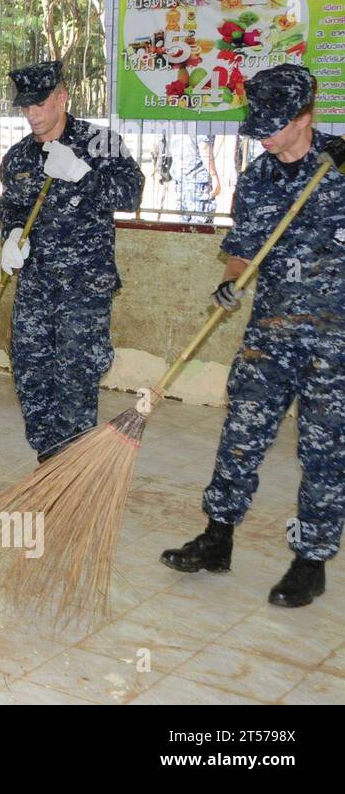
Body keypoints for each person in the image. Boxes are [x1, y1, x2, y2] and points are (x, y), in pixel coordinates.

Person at [161, 64, 345, 608]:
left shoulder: (342, 163)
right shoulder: (259, 176)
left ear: (305, 117)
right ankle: (218, 538)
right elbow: (242, 248)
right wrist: (229, 283)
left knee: (324, 453)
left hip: (336, 342)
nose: (263, 136)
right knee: (240, 435)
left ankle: (310, 562)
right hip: (270, 332)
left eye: (274, 125)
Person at [0, 60, 144, 462]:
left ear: (62, 97)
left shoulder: (102, 143)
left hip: (84, 289)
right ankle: (49, 459)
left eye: (40, 104)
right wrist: (10, 235)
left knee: (76, 379)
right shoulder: (18, 157)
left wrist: (83, 174)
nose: (32, 114)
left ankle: (72, 465)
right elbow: (9, 207)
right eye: (25, 107)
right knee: (31, 376)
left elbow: (131, 195)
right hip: (35, 288)